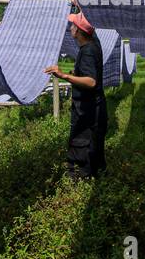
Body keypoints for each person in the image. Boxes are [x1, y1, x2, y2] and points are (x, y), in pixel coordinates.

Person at [44, 11, 107, 179]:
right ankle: (96, 180)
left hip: (88, 112)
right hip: (96, 109)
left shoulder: (87, 51)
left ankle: (80, 185)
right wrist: (81, 5)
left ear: (78, 31)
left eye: (73, 25)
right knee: (94, 152)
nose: (70, 27)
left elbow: (91, 81)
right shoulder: (94, 44)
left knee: (81, 150)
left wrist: (64, 76)